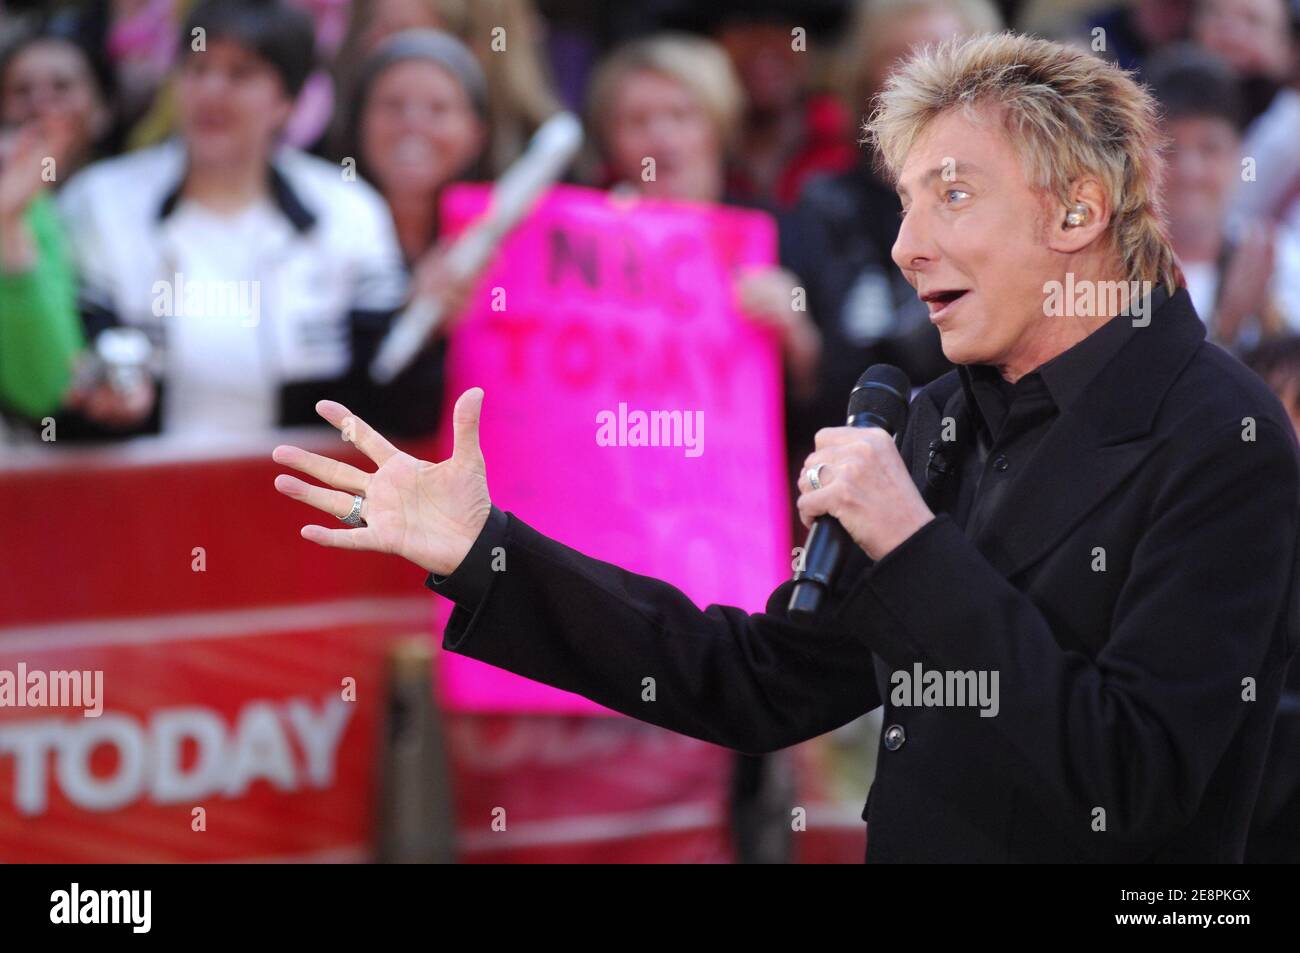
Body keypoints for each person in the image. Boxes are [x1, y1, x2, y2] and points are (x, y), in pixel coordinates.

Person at [272, 33, 1300, 862]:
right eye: (903, 201)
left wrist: (910, 545)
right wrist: (485, 551)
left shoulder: (1222, 438)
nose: (905, 245)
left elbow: (1135, 781)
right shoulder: (941, 416)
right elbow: (758, 680)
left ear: (1079, 210)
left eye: (950, 195)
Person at [54, 0, 441, 441]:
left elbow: (389, 405)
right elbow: (56, 378)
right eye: (197, 70)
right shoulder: (99, 201)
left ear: (288, 102)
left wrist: (426, 326)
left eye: (241, 74)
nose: (212, 91)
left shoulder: (348, 210)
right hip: (130, 494)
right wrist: (107, 398)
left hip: (302, 493)